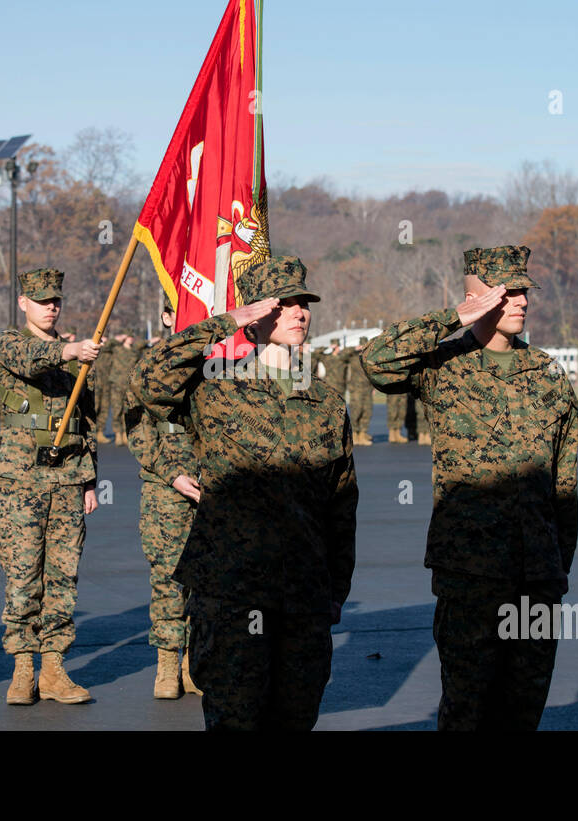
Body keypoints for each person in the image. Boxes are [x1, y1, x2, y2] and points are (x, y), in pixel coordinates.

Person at [133, 255, 357, 730]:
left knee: (296, 716)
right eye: (284, 304)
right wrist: (225, 322)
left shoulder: (326, 403)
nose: (299, 313)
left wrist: (337, 588)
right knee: (236, 717)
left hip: (303, 593)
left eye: (303, 304)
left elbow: (341, 504)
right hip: (232, 591)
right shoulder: (216, 390)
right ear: (255, 319)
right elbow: (146, 382)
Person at [362, 245, 578, 731]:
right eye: (507, 293)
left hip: (537, 573)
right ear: (475, 298)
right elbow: (376, 362)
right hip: (470, 571)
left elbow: (564, 480)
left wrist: (559, 564)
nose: (521, 301)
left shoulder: (547, 374)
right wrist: (453, 317)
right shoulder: (443, 366)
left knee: (524, 706)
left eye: (525, 292)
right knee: (467, 705)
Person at [0, 268, 102, 705]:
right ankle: (22, 668)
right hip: (22, 479)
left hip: (69, 478)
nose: (50, 306)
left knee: (62, 578)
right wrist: (71, 350)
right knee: (22, 577)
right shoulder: (10, 343)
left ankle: (54, 668)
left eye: (55, 300)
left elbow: (87, 419)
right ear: (23, 304)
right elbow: (30, 359)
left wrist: (90, 479)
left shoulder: (77, 356)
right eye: (40, 300)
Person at [125, 301, 204, 699]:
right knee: (168, 579)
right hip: (165, 489)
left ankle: (193, 662)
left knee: (204, 582)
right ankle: (167, 664)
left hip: (211, 488)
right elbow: (137, 429)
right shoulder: (149, 365)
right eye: (180, 312)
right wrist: (171, 474)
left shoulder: (215, 366)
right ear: (167, 317)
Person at [346, 344, 374, 445]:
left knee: (367, 411)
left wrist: (373, 386)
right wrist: (354, 348)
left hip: (368, 388)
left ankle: (362, 434)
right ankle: (354, 435)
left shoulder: (369, 358)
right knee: (356, 411)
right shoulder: (353, 357)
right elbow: (343, 354)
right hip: (356, 389)